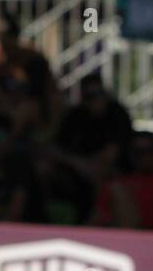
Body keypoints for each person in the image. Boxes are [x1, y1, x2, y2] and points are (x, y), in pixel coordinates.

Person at [51, 72, 133, 219]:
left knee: (101, 174)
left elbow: (112, 152)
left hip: (112, 169)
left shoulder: (117, 114)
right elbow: (56, 148)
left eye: (99, 94)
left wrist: (92, 166)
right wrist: (79, 164)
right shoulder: (74, 116)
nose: (95, 100)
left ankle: (94, 221)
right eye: (89, 96)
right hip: (76, 169)